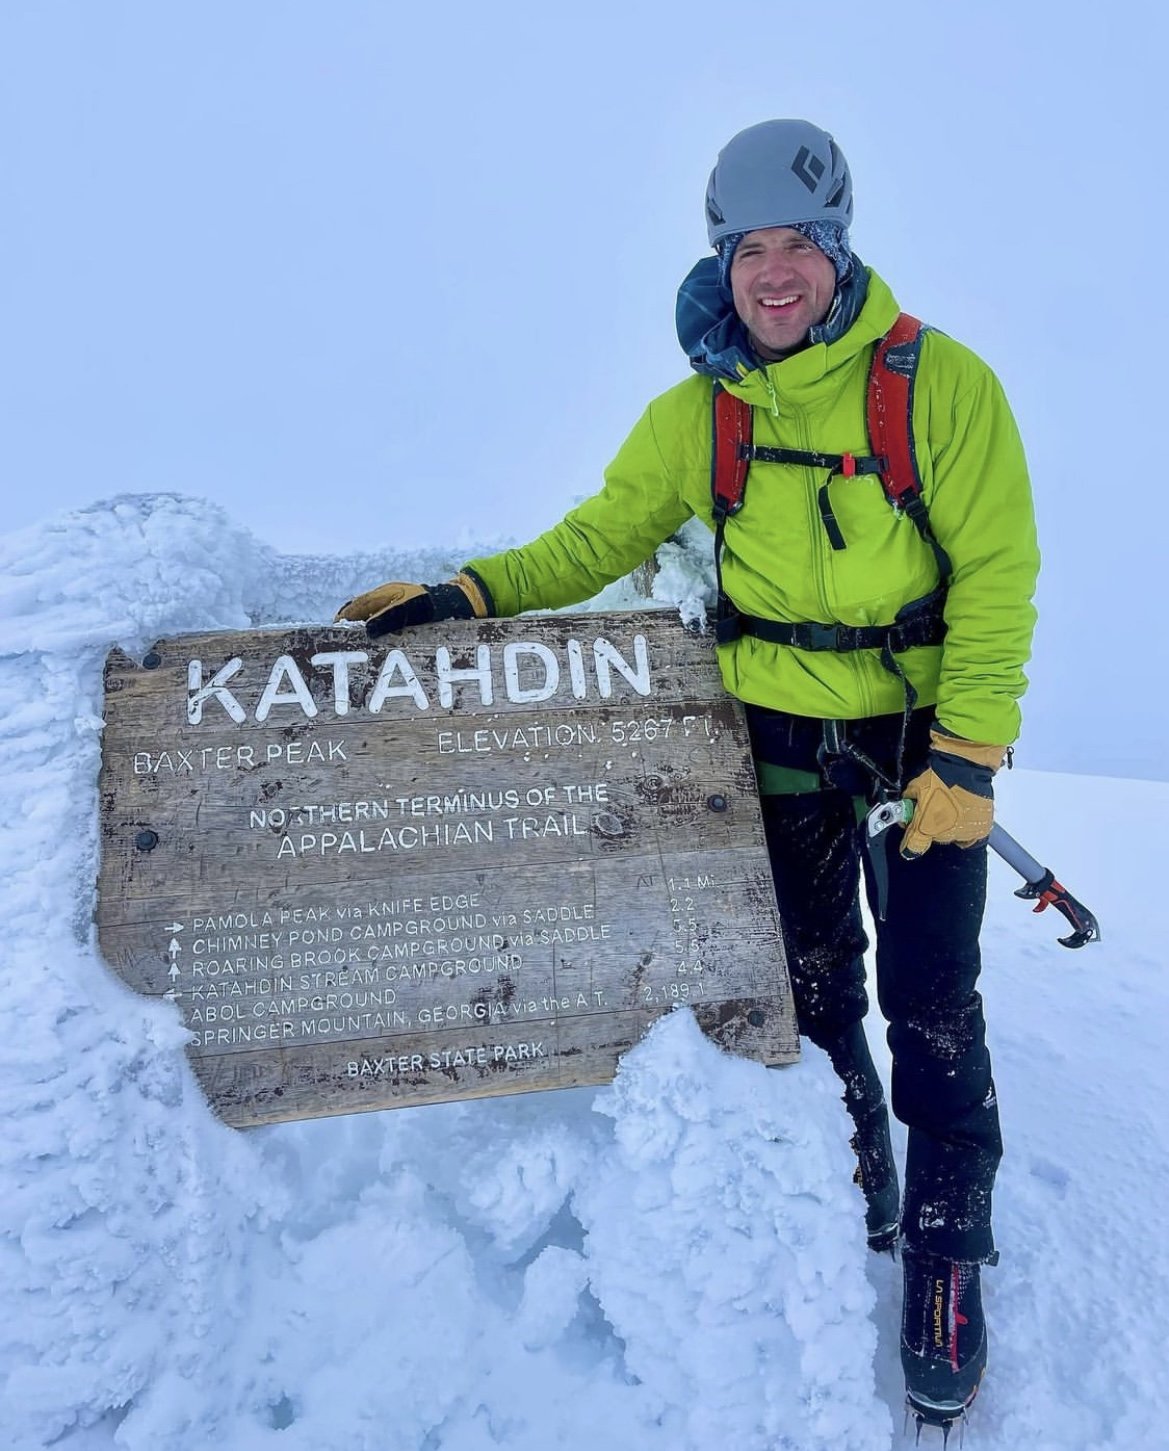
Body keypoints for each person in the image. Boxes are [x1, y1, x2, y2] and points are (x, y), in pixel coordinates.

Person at [337, 119, 1039, 1434]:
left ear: (838, 252)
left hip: (915, 746)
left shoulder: (937, 388)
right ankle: (853, 1170)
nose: (771, 276)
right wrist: (468, 593)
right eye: (746, 250)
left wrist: (967, 753)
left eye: (796, 248)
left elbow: (997, 576)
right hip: (769, 741)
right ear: (720, 261)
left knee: (932, 999)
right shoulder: (696, 412)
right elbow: (603, 534)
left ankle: (946, 1248)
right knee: (812, 981)